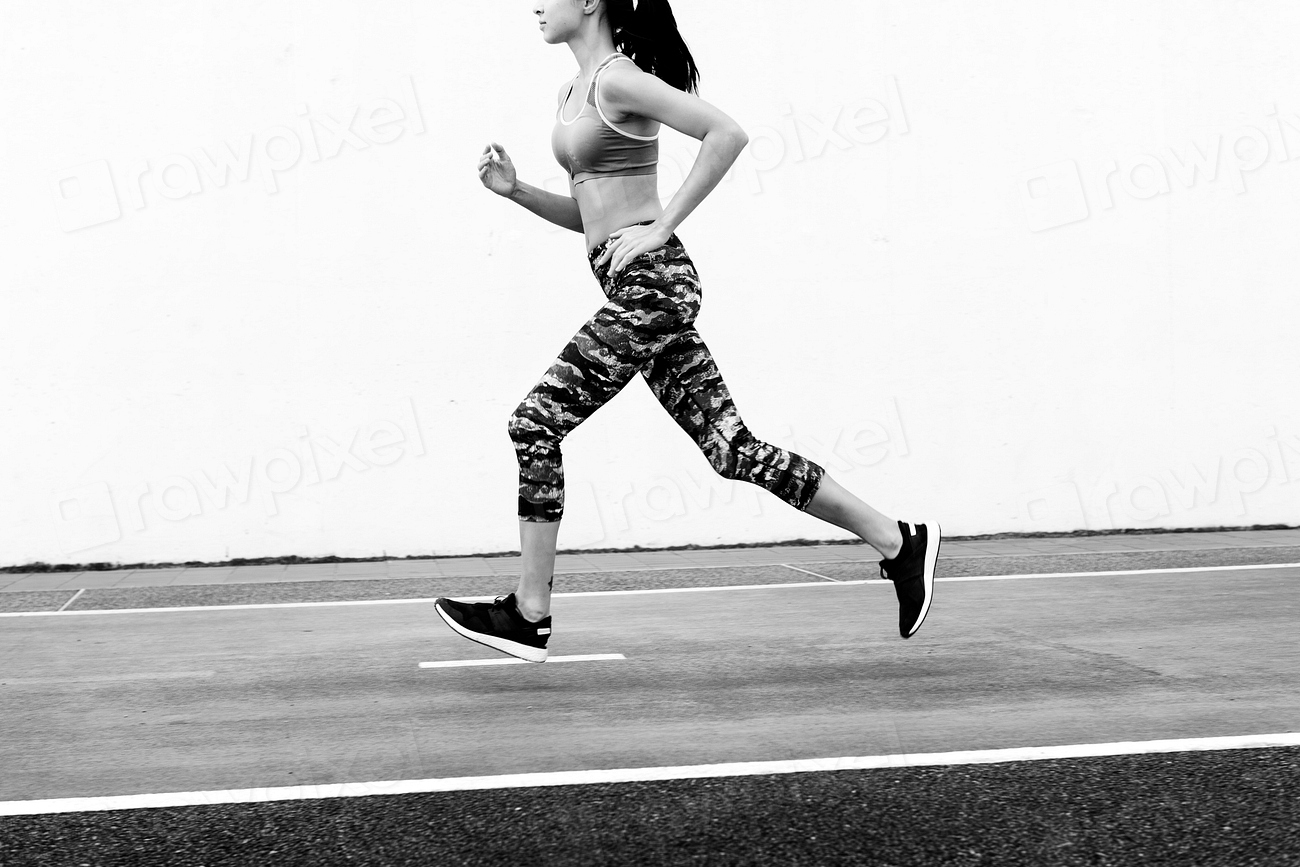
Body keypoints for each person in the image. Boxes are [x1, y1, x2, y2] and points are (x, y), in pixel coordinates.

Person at [434, 0, 940, 663]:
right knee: (732, 449)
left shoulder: (618, 79)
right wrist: (517, 191)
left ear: (589, 0)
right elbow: (594, 215)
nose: (534, 3)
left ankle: (530, 613)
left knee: (535, 422)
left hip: (655, 287)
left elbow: (726, 134)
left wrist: (663, 225)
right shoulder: (573, 90)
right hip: (636, 291)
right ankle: (901, 542)